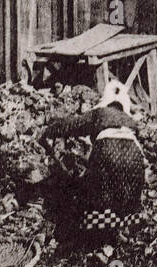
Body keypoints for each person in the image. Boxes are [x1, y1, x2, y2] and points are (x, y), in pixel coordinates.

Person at [42, 77, 147, 251]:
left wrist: (49, 131)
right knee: (124, 194)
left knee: (98, 194)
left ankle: (94, 240)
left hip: (107, 150)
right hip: (134, 155)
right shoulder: (131, 121)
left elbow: (72, 125)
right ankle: (121, 233)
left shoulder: (99, 114)